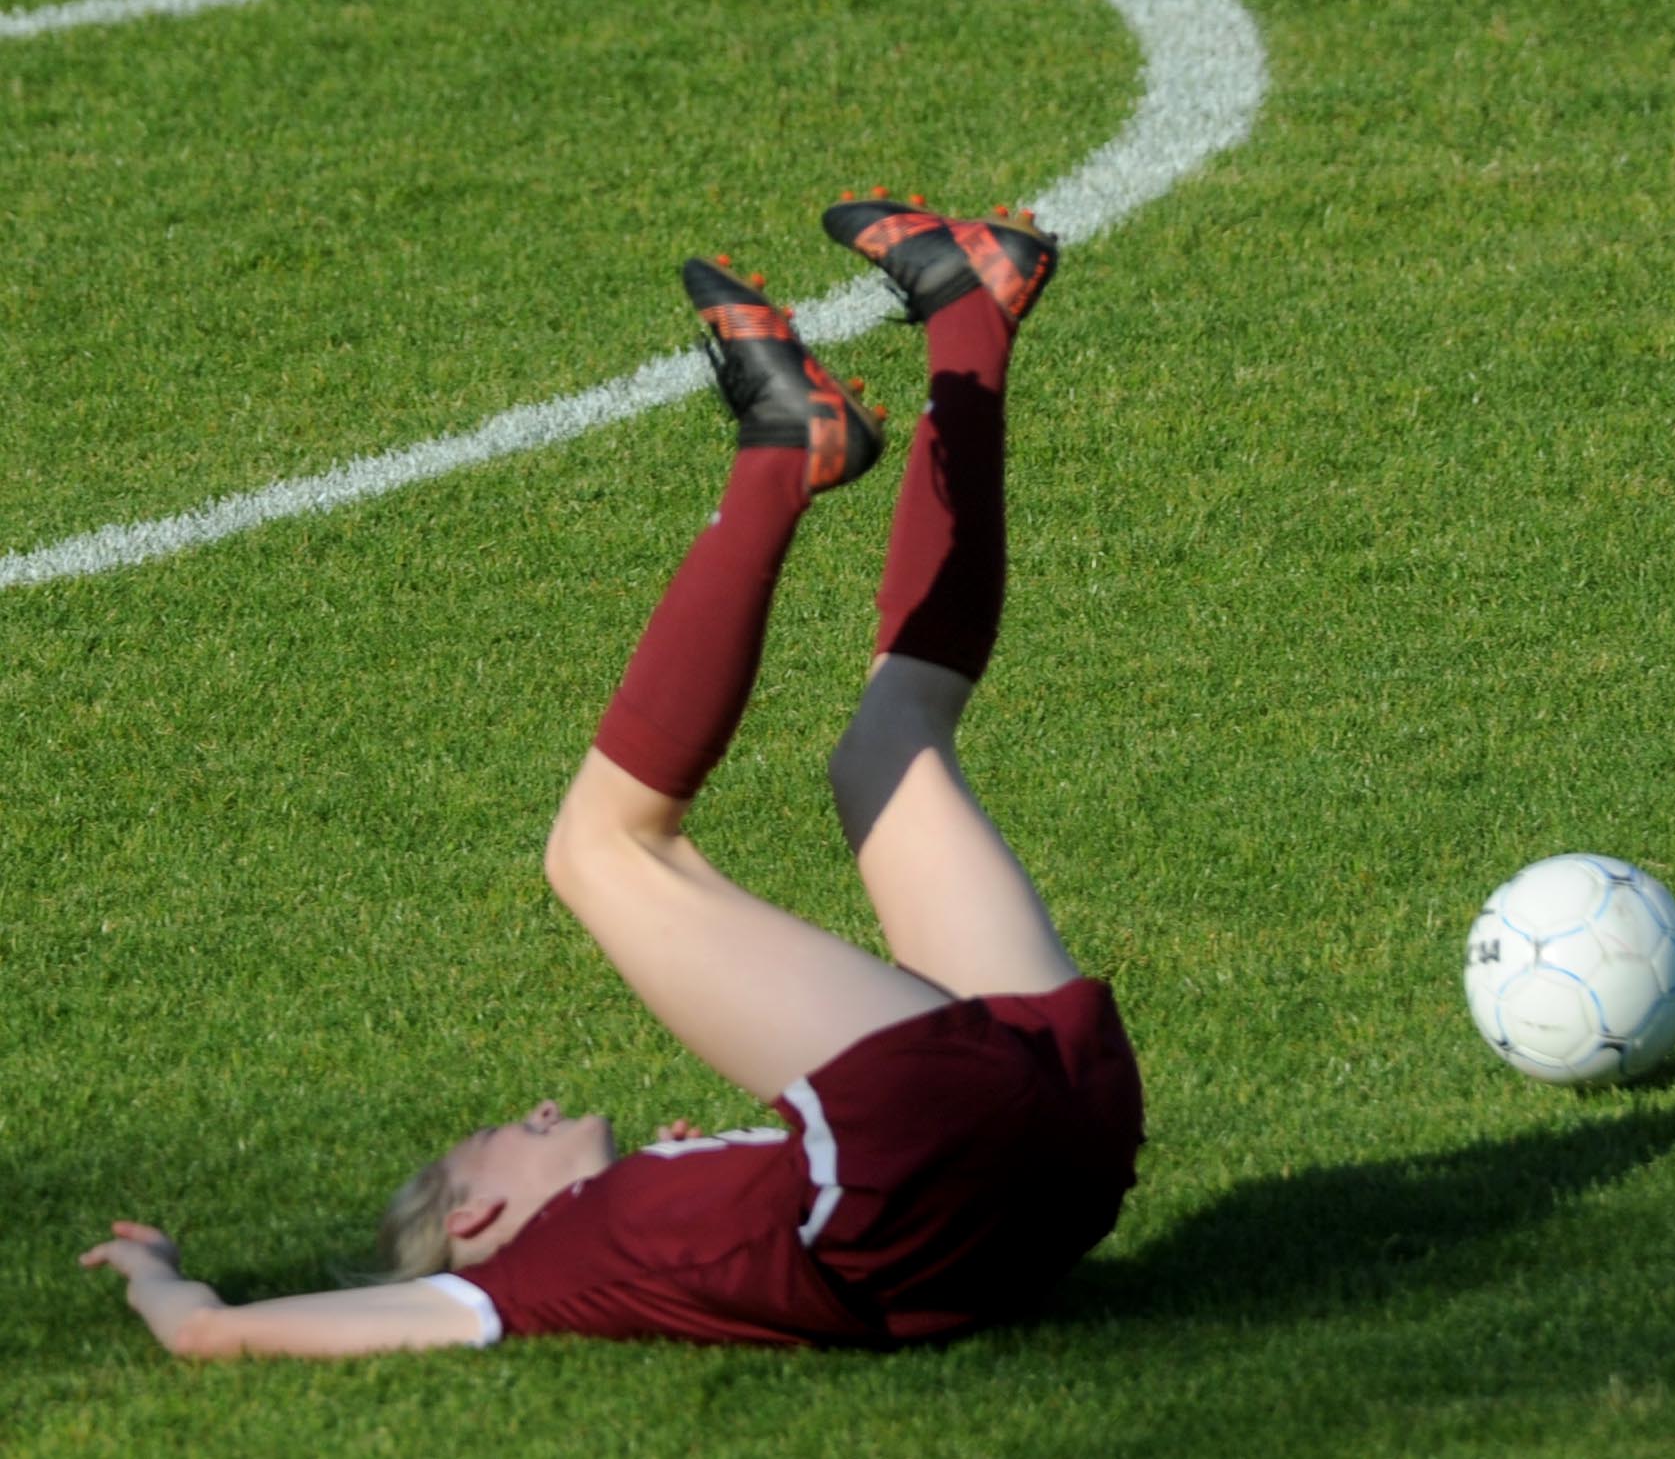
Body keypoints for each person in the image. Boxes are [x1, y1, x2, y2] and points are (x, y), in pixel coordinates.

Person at [81, 193, 1144, 1354]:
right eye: (485, 1139)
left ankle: (969, 318)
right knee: (596, 852)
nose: (529, 1110)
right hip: (948, 1159)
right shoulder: (518, 1282)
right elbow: (209, 1339)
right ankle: (784, 454)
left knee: (893, 745)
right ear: (474, 1217)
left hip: (1065, 1147)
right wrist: (159, 1280)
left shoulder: (635, 1239)